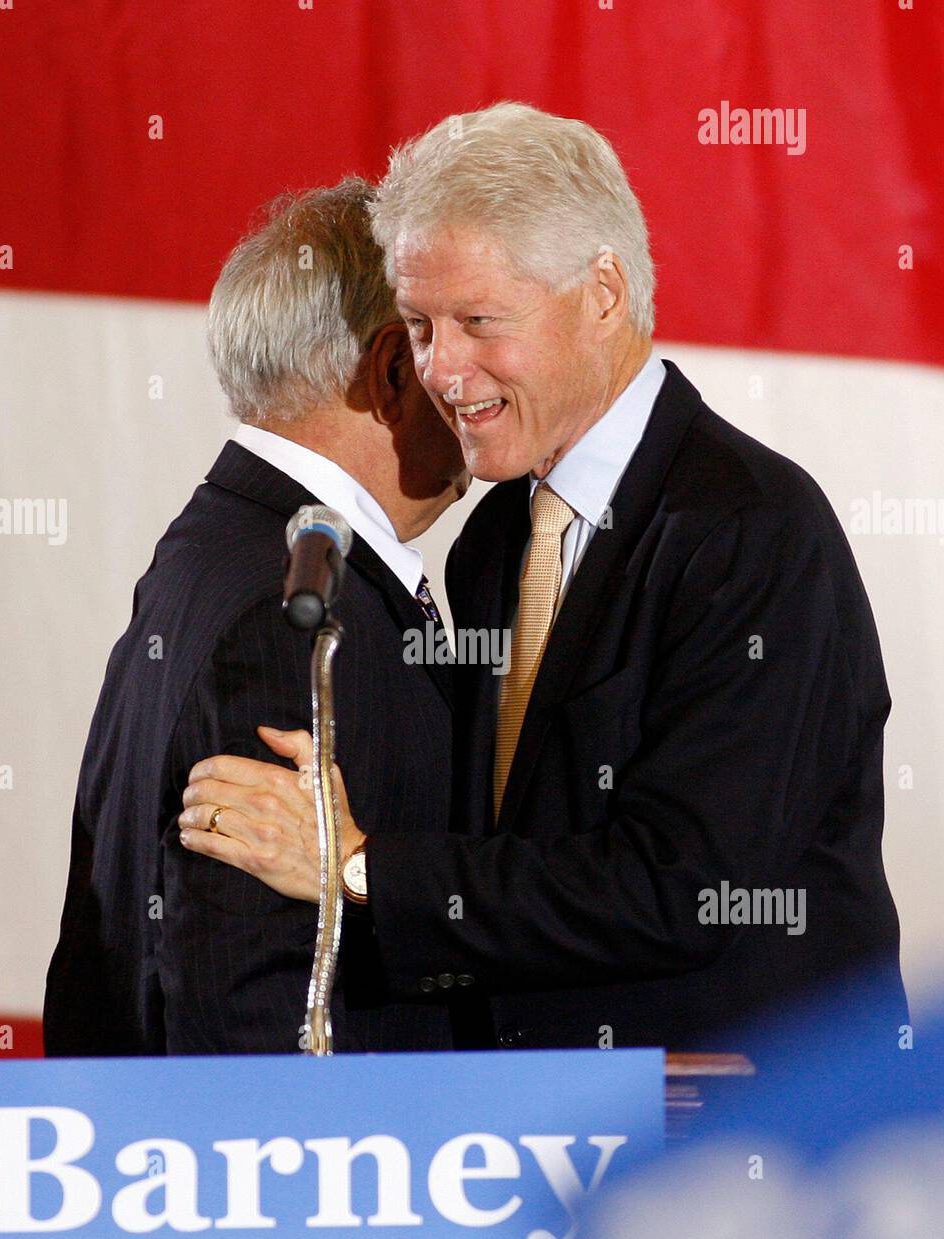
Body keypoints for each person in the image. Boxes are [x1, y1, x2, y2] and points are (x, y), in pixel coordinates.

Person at [178, 104, 908, 1056]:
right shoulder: (493, 537)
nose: (441, 370)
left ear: (602, 293)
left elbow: (680, 893)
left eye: (478, 322)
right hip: (542, 1125)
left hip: (744, 1135)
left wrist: (357, 866)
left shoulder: (750, 531)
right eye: (418, 326)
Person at [44, 178, 469, 1056]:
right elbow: (247, 984)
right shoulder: (295, 616)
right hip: (314, 1174)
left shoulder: (214, 548)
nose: (469, 380)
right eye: (441, 336)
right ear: (392, 368)